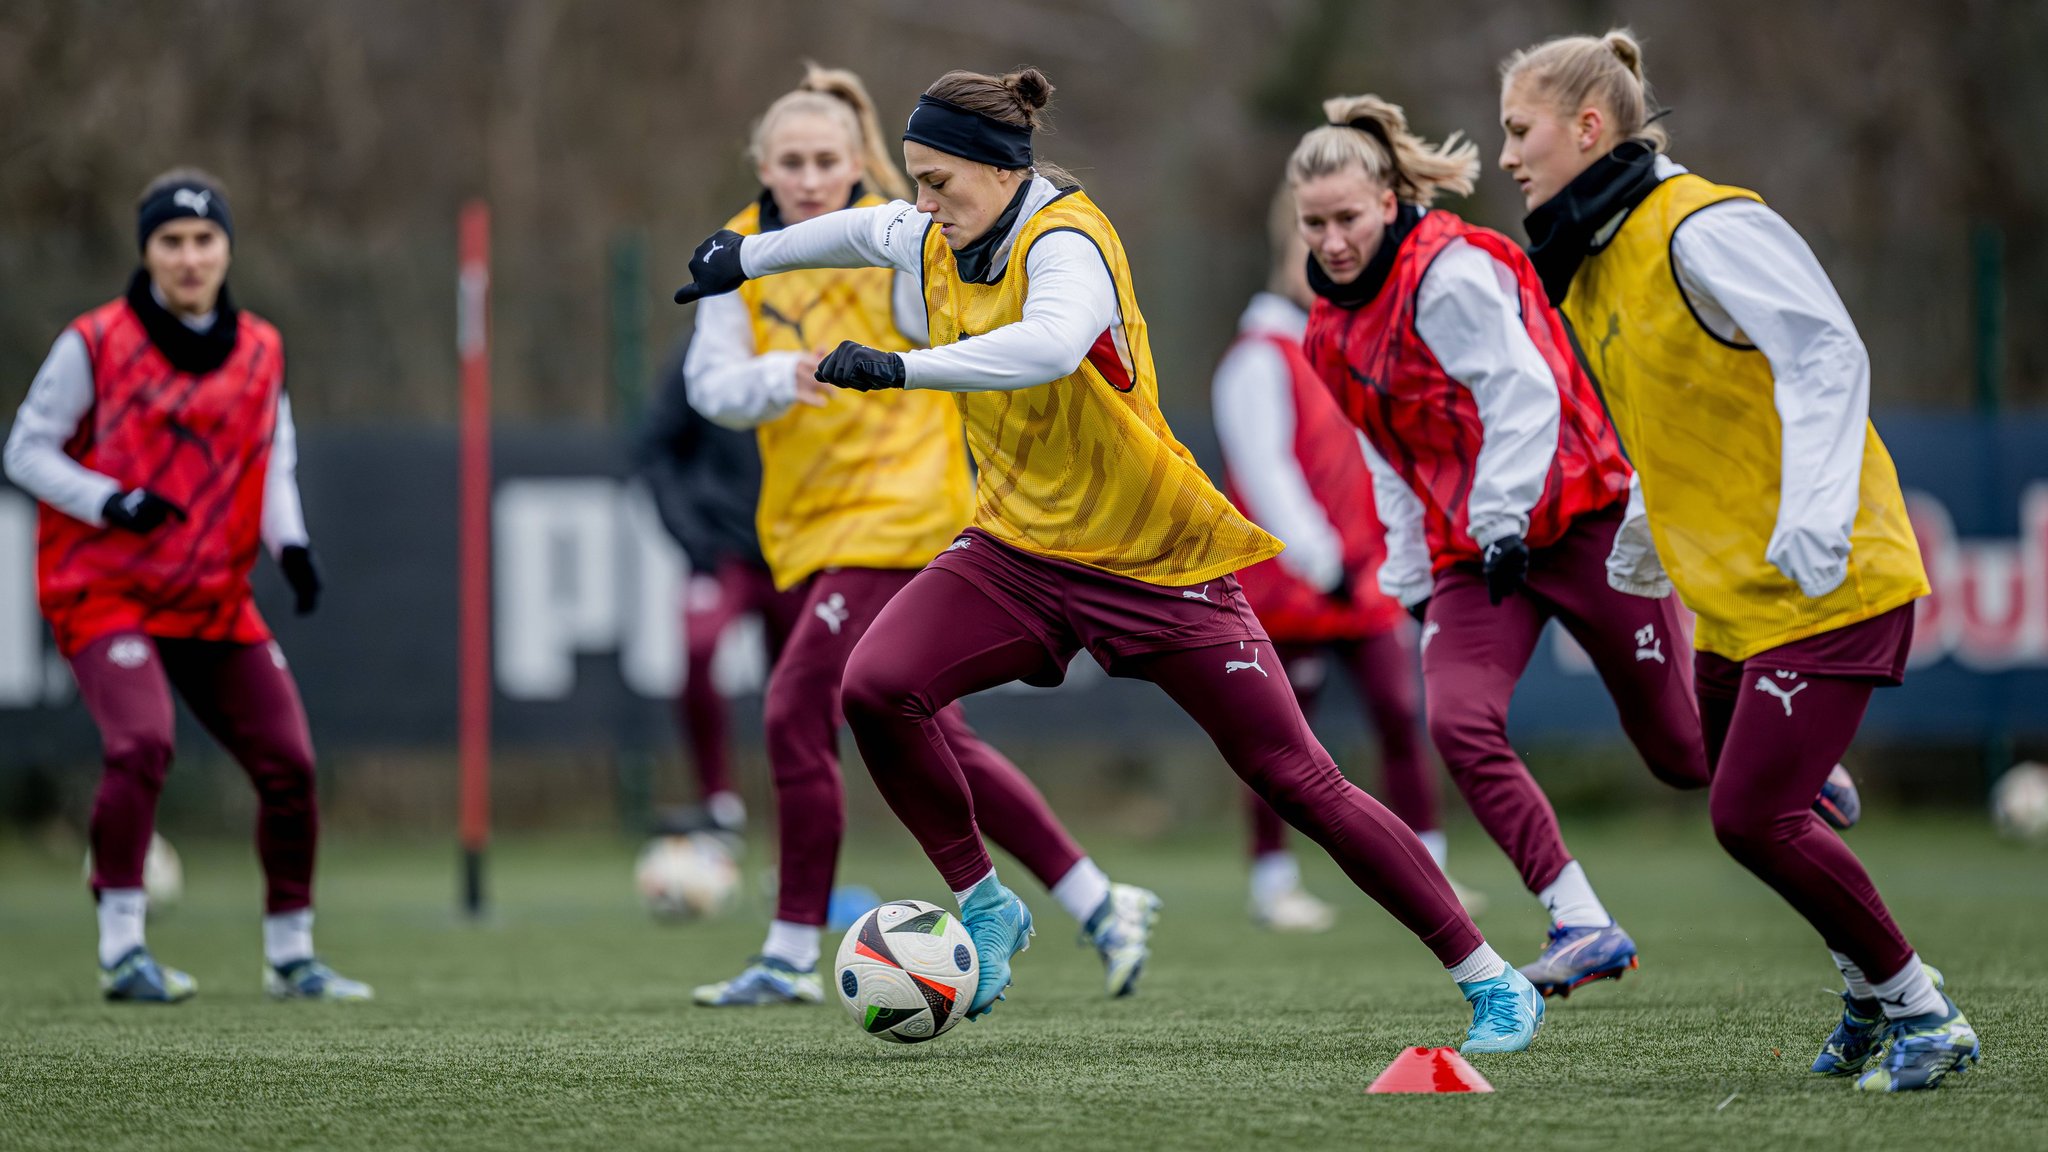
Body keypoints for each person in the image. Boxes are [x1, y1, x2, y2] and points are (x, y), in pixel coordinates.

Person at [673, 65, 1543, 1054]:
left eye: (938, 183)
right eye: (913, 179)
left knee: (1298, 779)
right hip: (1017, 550)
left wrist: (900, 367)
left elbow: (1044, 346)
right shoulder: (927, 229)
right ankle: (986, 904)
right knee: (873, 687)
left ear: (1002, 173)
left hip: (1153, 561)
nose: (920, 203)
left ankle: (1489, 977)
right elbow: (852, 229)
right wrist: (741, 259)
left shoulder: (1070, 243)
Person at [1499, 29, 1975, 1090]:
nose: (1505, 157)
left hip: (1829, 579)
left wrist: (1811, 513)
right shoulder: (1593, 258)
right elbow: (1674, 415)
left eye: (1517, 130)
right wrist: (1638, 523)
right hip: (1732, 599)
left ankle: (1920, 1011)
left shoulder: (1703, 224)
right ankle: (1867, 994)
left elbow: (1822, 353)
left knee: (1749, 819)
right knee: (1755, 806)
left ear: (1588, 126)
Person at [679, 65, 1159, 1007]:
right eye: (791, 162)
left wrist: (893, 364)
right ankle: (1100, 900)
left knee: (793, 710)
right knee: (937, 733)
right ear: (762, 167)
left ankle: (785, 954)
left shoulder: (921, 237)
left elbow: (961, 330)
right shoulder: (746, 252)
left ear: (859, 161)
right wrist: (784, 376)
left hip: (907, 513)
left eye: (828, 159)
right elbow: (709, 386)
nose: (810, 178)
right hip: (809, 525)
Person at [1290, 93, 1714, 999]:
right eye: (1313, 224)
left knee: (1683, 755)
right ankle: (1582, 920)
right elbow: (1387, 453)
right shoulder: (1326, 331)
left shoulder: (1447, 272)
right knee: (1457, 721)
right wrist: (1410, 570)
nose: (1331, 241)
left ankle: (1792, 758)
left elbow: (1524, 395)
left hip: (1580, 517)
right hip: (1478, 553)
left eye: (1348, 218)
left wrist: (1502, 520)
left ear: (1392, 198)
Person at [2, 169, 369, 1003]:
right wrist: (109, 500)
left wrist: (293, 545)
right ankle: (123, 948)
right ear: (147, 252)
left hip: (209, 592)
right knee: (141, 745)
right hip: (104, 587)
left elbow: (273, 454)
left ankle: (291, 955)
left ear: (227, 249)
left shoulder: (263, 348)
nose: (190, 256)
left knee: (290, 765)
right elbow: (25, 449)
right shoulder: (95, 341)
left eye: (205, 240)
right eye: (172, 241)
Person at [1212, 184, 1475, 932]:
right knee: (1277, 738)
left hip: (1362, 581)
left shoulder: (1356, 347)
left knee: (1401, 714)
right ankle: (1273, 881)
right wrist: (1320, 562)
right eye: (1308, 243)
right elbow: (1266, 474)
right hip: (1288, 588)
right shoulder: (1257, 358)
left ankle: (1431, 868)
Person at [639, 344, 804, 835]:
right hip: (721, 555)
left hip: (799, 555)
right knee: (699, 646)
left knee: (803, 692)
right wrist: (693, 539)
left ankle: (798, 829)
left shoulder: (819, 327)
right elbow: (655, 449)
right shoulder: (708, 346)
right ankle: (717, 803)